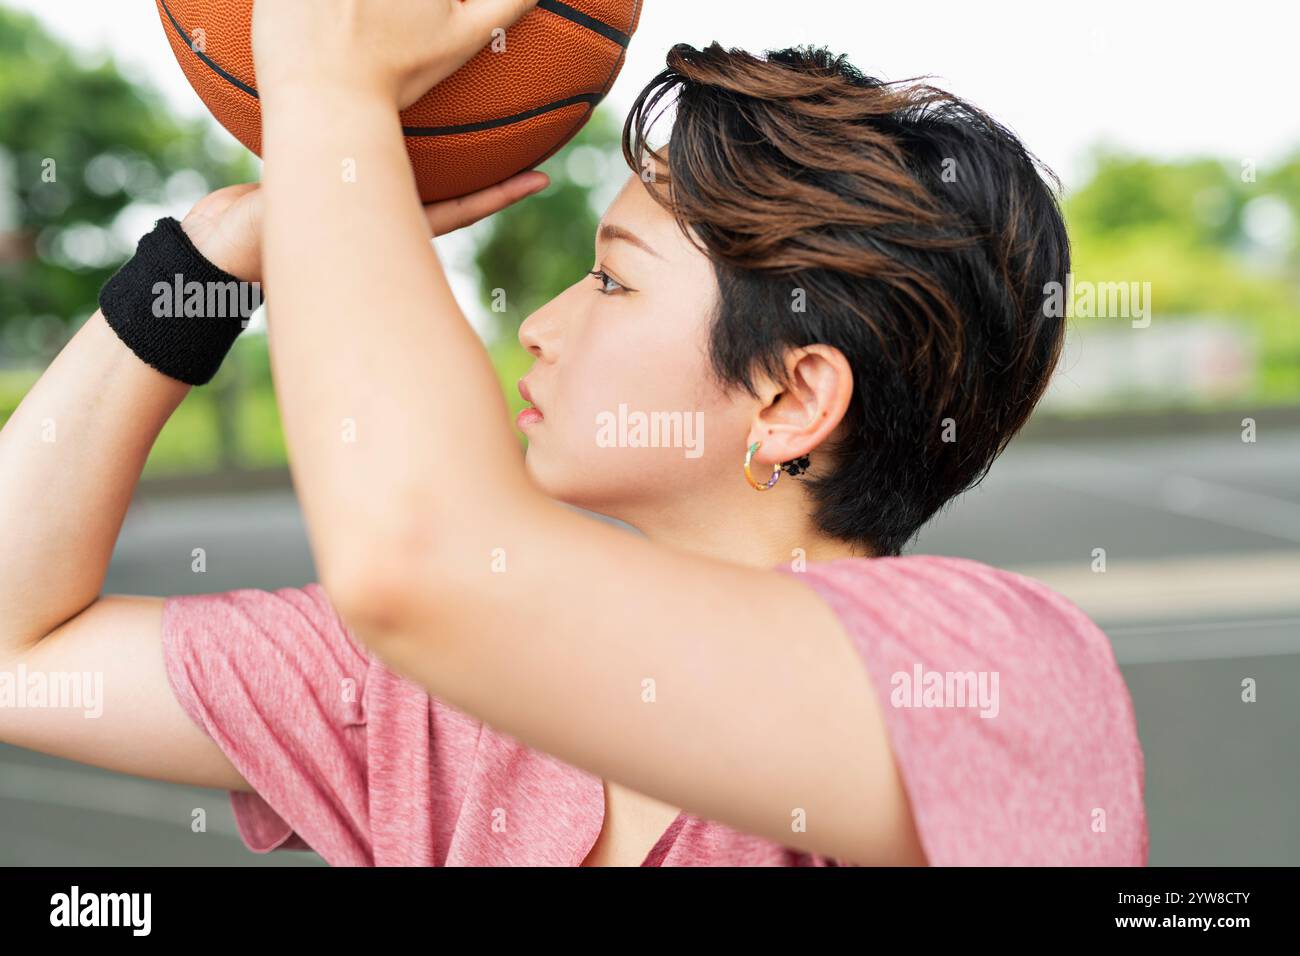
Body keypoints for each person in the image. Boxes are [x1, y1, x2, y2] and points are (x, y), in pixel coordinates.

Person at [0, 0, 1146, 866]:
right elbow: (18, 649)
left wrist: (326, 97)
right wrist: (200, 263)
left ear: (793, 397)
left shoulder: (1003, 680)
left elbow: (420, 560)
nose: (540, 326)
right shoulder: (422, 693)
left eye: (611, 281)